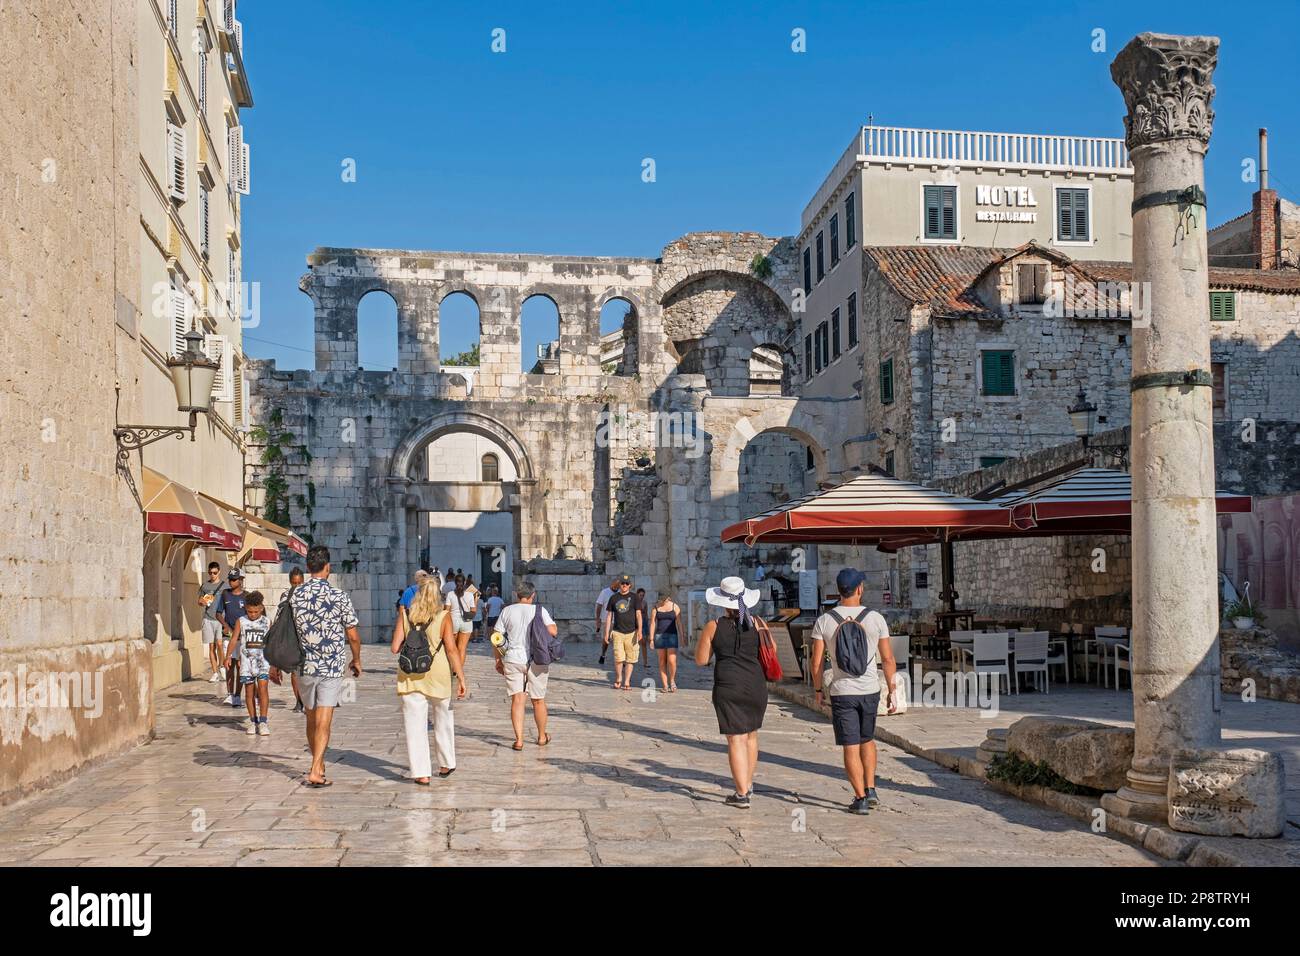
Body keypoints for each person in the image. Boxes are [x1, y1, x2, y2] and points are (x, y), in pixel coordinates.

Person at [810, 568, 897, 815]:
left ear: (839, 591)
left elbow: (816, 662)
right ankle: (870, 788)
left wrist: (818, 689)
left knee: (850, 745)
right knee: (867, 740)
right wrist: (892, 690)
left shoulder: (825, 621)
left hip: (842, 691)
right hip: (870, 690)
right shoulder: (875, 618)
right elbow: (888, 659)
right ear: (859, 589)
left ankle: (859, 798)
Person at [290, 545, 362, 788]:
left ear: (309, 568)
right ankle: (315, 768)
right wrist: (357, 659)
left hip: (305, 666)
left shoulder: (295, 595)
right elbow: (352, 634)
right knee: (324, 720)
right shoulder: (339, 596)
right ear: (328, 567)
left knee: (311, 719)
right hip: (330, 666)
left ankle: (318, 765)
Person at [694, 576, 767, 809]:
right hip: (756, 685)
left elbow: (701, 660)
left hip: (728, 686)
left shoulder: (713, 626)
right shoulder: (758, 623)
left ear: (723, 603)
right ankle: (748, 783)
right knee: (751, 735)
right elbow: (772, 650)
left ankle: (741, 793)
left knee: (736, 739)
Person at [391, 580, 466, 783]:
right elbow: (451, 649)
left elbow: (395, 647)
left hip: (410, 676)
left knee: (415, 725)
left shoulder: (405, 614)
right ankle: (445, 763)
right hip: (438, 675)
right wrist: (460, 676)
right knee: (443, 719)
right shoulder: (443, 616)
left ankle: (422, 773)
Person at [492, 580, 554, 750]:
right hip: (536, 659)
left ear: (516, 595)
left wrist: (498, 659)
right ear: (532, 595)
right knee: (538, 700)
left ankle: (519, 740)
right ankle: (542, 736)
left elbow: (496, 637)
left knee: (517, 700)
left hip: (512, 658)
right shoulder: (539, 610)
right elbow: (553, 631)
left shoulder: (507, 611)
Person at [224, 590, 272, 736]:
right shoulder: (241, 621)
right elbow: (234, 639)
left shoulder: (267, 622)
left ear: (261, 608)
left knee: (263, 690)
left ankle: (263, 721)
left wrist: (275, 662)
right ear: (246, 609)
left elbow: (271, 642)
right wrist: (227, 657)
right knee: (249, 692)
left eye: (256, 611)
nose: (252, 614)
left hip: (263, 661)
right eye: (250, 611)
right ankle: (253, 721)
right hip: (246, 662)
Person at [269, 567, 307, 713]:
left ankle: (306, 700)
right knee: (294, 672)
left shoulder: (310, 595)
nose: (296, 586)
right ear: (290, 582)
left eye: (299, 583)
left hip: (307, 639)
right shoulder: (285, 595)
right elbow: (279, 617)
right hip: (292, 638)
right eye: (294, 583)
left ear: (303, 581)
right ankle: (298, 701)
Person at [602, 574, 642, 690]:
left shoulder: (635, 598)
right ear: (619, 585)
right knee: (618, 658)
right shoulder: (614, 598)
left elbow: (638, 615)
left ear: (630, 585)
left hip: (632, 633)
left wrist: (639, 630)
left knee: (630, 658)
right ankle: (619, 678)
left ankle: (627, 682)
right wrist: (606, 632)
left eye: (626, 584)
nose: (624, 585)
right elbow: (609, 616)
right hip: (618, 632)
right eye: (622, 583)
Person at [216, 568, 249, 708]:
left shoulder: (247, 596)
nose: (231, 582)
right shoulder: (225, 594)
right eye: (230, 579)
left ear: (241, 580)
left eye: (234, 579)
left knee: (241, 666)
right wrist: (225, 625)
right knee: (229, 665)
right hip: (228, 636)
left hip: (242, 637)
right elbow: (218, 613)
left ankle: (237, 695)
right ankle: (230, 694)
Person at [198, 562, 228, 682]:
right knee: (211, 646)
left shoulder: (225, 586)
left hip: (221, 619)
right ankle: (215, 672)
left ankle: (221, 666)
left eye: (215, 573)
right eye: (210, 573)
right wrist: (202, 602)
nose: (212, 575)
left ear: (219, 572)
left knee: (220, 645)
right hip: (208, 618)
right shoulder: (205, 586)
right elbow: (199, 600)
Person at [650, 591, 681, 692]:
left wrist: (683, 636)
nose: (662, 600)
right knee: (662, 661)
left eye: (664, 598)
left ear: (668, 597)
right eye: (660, 599)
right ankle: (665, 685)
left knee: (672, 660)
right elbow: (652, 624)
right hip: (659, 636)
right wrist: (651, 639)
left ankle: (672, 681)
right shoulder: (655, 608)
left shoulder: (675, 607)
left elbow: (679, 623)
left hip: (672, 635)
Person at [447, 574, 477, 660]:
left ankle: (452, 668)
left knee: (452, 648)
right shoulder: (470, 595)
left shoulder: (450, 594)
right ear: (464, 583)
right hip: (466, 622)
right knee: (462, 648)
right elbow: (473, 611)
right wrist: (476, 600)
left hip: (453, 621)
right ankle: (458, 670)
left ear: (455, 583)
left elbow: (447, 610)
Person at [594, 575, 617, 664]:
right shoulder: (605, 592)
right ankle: (603, 654)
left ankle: (620, 659)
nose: (616, 587)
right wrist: (598, 619)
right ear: (612, 584)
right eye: (615, 585)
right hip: (606, 620)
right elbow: (599, 606)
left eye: (617, 586)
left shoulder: (620, 592)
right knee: (606, 640)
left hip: (618, 621)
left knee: (618, 641)